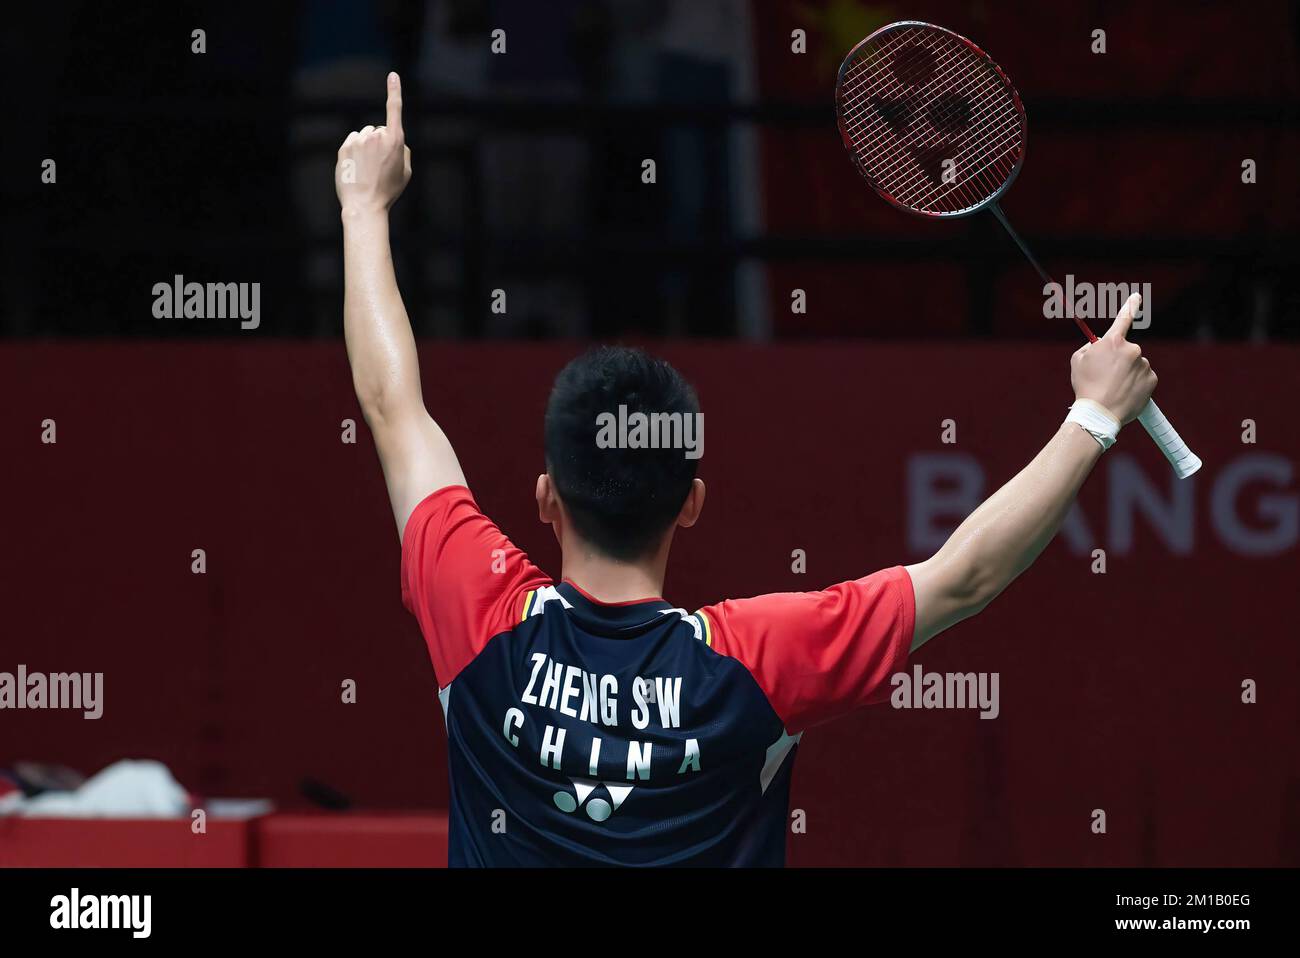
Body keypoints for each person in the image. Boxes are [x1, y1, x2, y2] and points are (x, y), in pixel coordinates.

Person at [336, 74, 1158, 866]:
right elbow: (964, 576)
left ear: (546, 498)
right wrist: (1093, 417)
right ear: (691, 504)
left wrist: (364, 208)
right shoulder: (755, 661)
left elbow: (392, 408)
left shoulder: (479, 613)